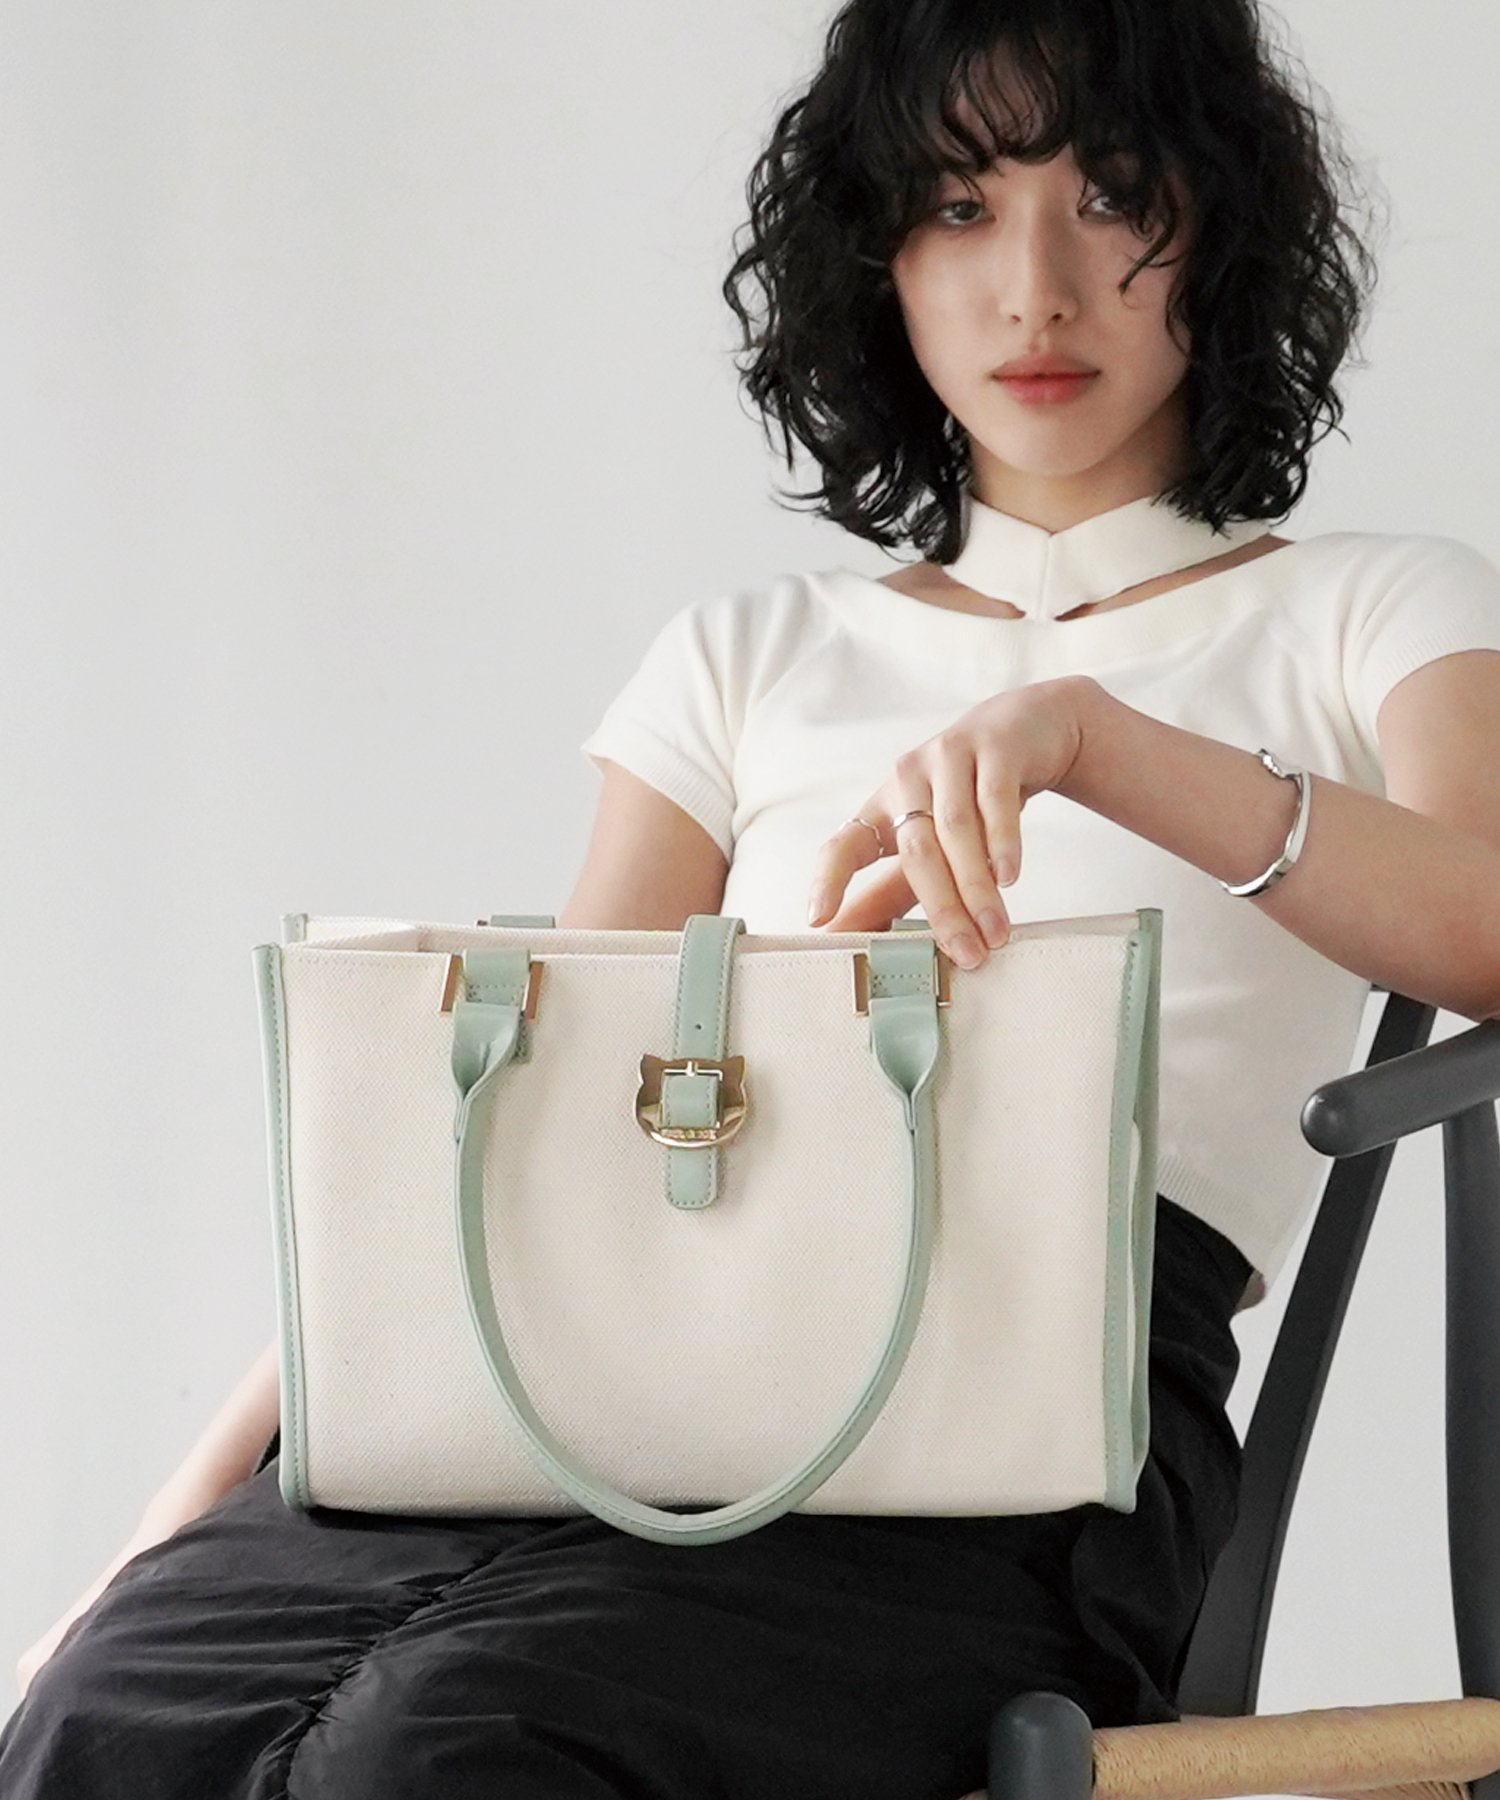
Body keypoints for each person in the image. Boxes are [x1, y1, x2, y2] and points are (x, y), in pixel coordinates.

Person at [8, 1, 1500, 1795]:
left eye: (1113, 198)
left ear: (1223, 235)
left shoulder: (1371, 606)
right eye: (958, 205)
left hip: (1021, 1443)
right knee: (115, 1713)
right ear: (873, 257)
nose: (1034, 289)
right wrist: (153, 1538)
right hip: (612, 1358)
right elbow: (507, 1148)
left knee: (445, 1739)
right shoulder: (750, 653)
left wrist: (1096, 742)